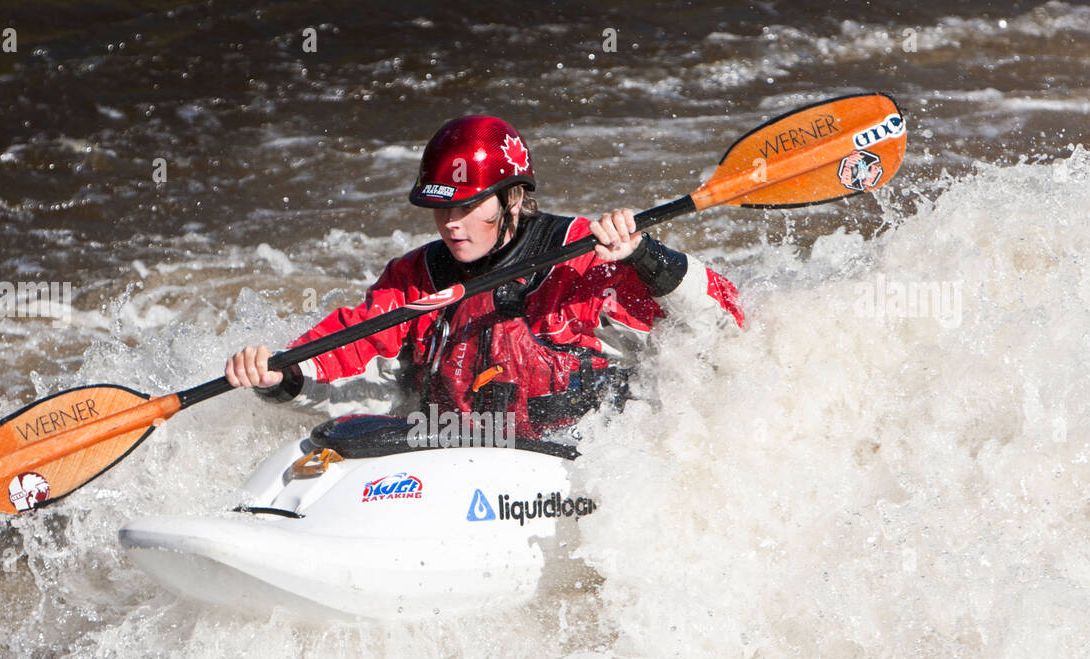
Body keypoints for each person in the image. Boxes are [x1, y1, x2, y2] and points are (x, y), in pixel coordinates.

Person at [225, 115, 743, 439]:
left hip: (585, 456)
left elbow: (723, 328)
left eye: (470, 206)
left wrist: (644, 256)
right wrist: (284, 375)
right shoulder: (415, 276)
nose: (452, 223)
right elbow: (356, 358)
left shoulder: (586, 255)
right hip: (460, 457)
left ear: (513, 197)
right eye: (440, 209)